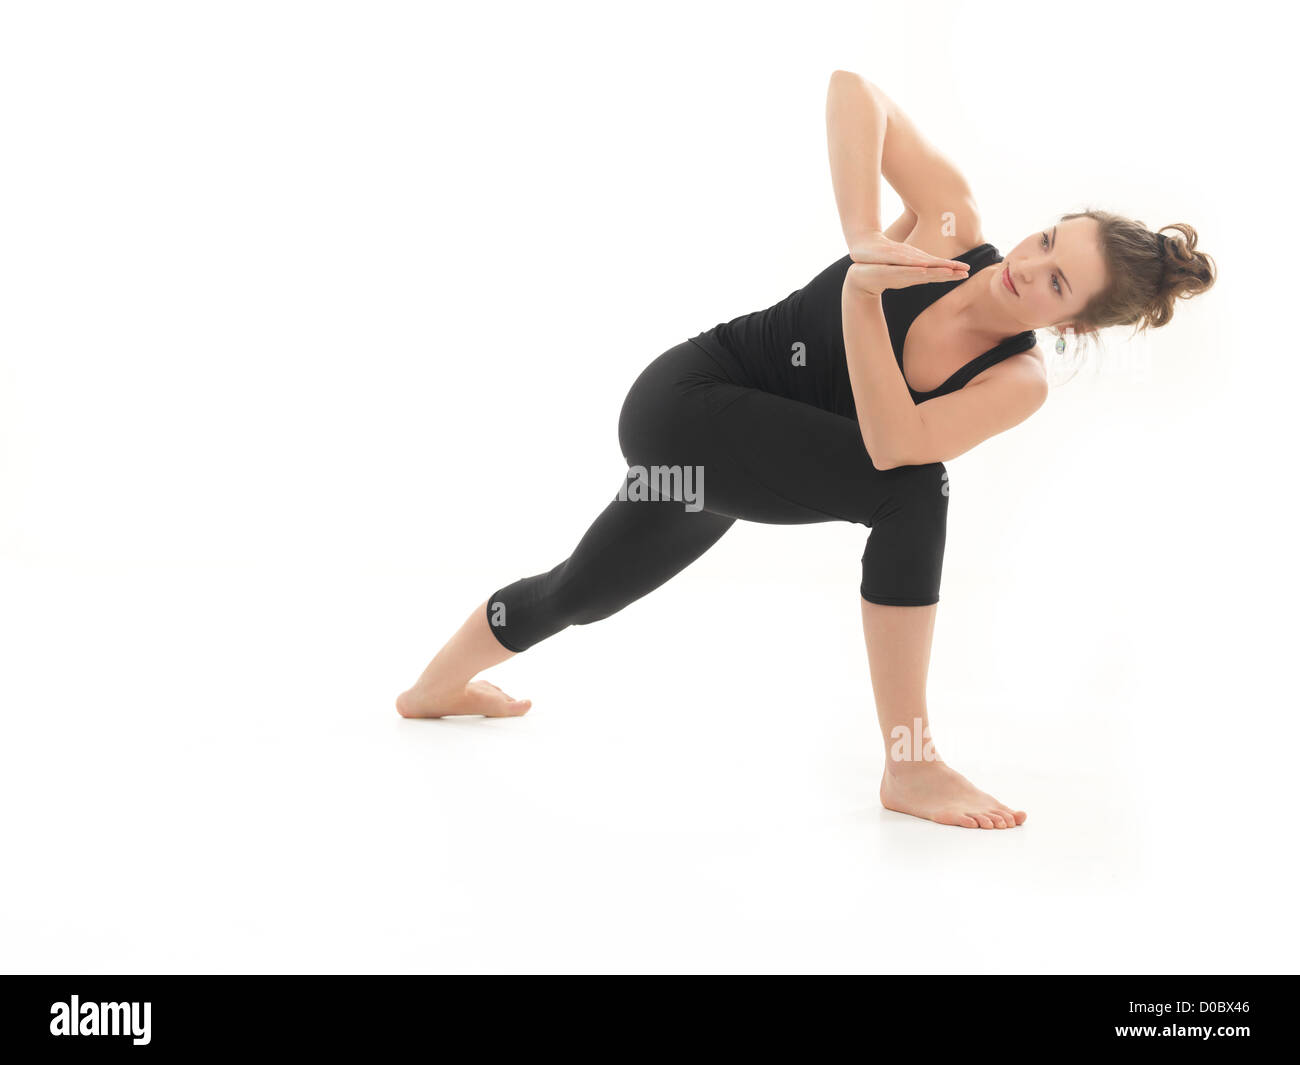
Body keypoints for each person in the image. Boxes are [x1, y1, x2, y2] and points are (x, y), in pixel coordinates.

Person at [396, 71, 1216, 830]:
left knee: (584, 590)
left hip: (719, 470)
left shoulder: (1018, 379)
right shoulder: (951, 225)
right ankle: (912, 765)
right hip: (684, 406)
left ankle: (433, 689)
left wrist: (864, 300)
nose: (1026, 267)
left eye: (1057, 283)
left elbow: (894, 441)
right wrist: (864, 233)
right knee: (915, 496)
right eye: (1045, 241)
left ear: (1069, 324)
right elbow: (855, 91)